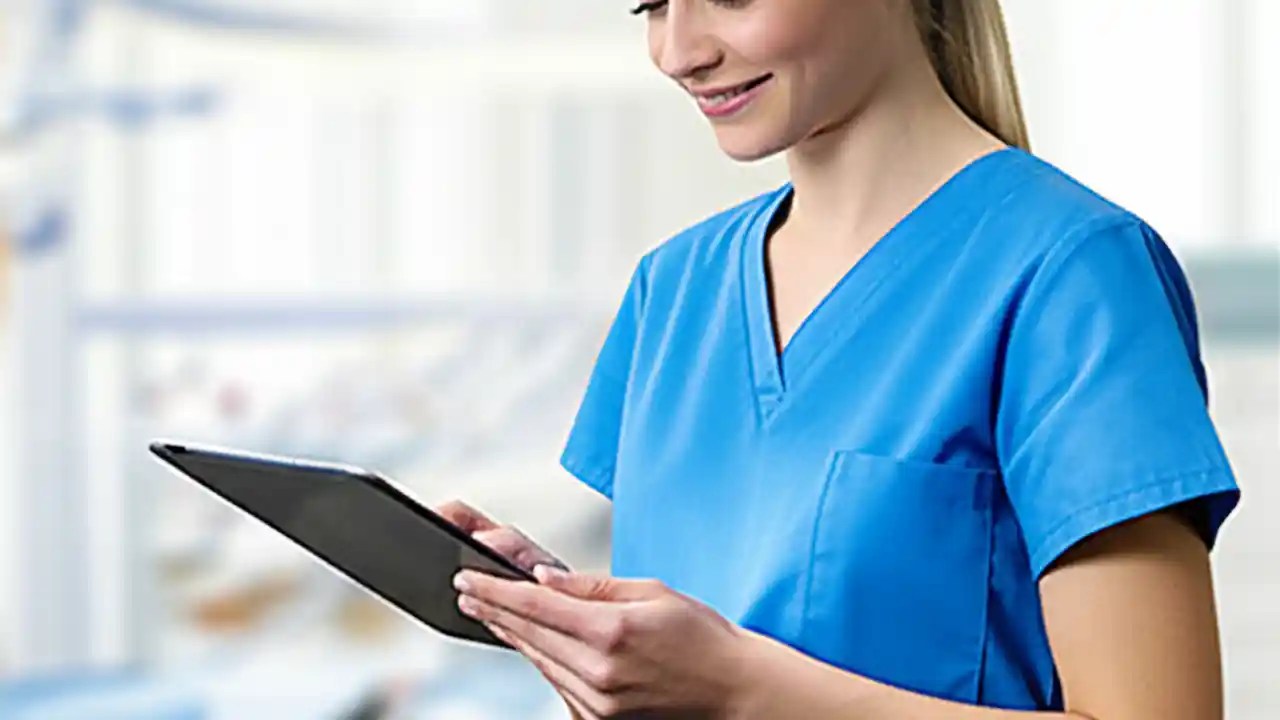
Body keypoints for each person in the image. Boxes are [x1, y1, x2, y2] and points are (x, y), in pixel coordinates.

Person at [439, 1, 1241, 717]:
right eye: (650, 4)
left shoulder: (1072, 276)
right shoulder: (673, 289)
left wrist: (740, 689)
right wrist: (579, 627)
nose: (679, 52)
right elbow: (721, 632)